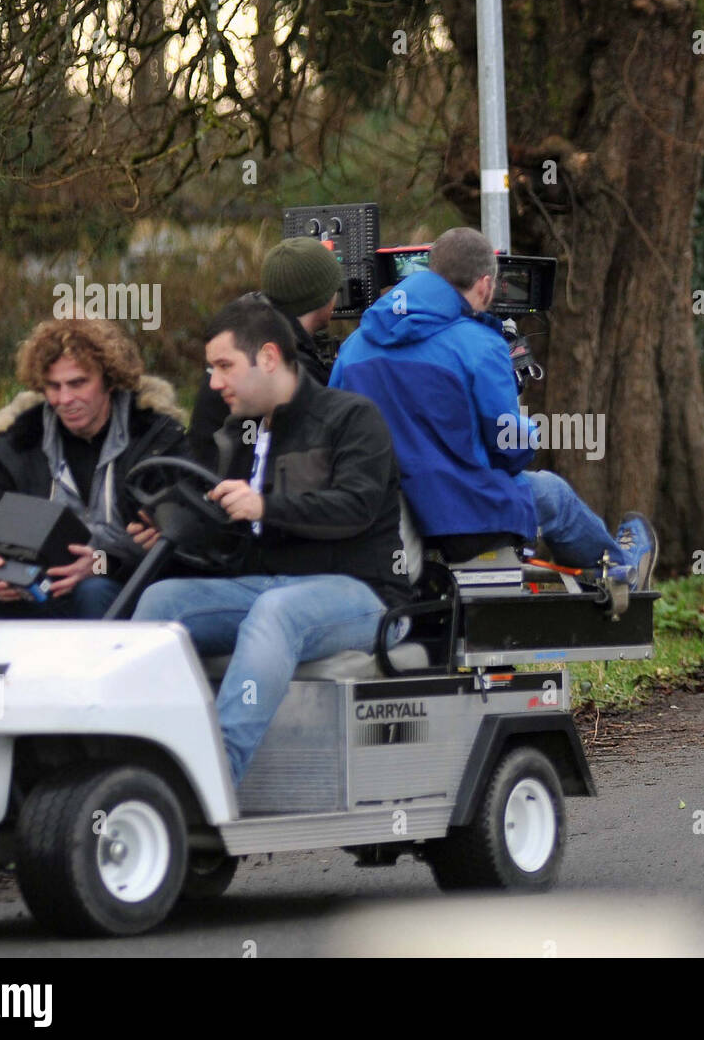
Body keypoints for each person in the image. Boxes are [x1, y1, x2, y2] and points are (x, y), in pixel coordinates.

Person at [131, 297, 410, 785]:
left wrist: (266, 505)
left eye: (223, 367)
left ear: (267, 357)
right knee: (162, 599)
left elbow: (356, 508)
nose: (213, 383)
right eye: (211, 369)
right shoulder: (237, 433)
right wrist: (176, 527)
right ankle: (128, 757)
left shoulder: (351, 419)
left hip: (362, 594)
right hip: (268, 584)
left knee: (277, 610)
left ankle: (212, 778)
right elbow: (230, 527)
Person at [328, 226, 657, 587]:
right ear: (485, 285)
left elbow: (336, 429)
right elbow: (511, 451)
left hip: (381, 516)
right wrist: (528, 429)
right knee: (554, 493)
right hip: (462, 517)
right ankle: (623, 571)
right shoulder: (481, 344)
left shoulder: (355, 345)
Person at [0, 318, 189, 621]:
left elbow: (178, 546)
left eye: (77, 383)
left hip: (121, 586)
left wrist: (100, 562)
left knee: (93, 592)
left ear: (109, 380)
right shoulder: (20, 443)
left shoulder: (155, 439)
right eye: (53, 386)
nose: (65, 399)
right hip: (35, 584)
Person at [185, 236, 344, 466]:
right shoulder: (290, 368)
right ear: (324, 297)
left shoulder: (239, 335)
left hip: (207, 482)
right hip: (244, 492)